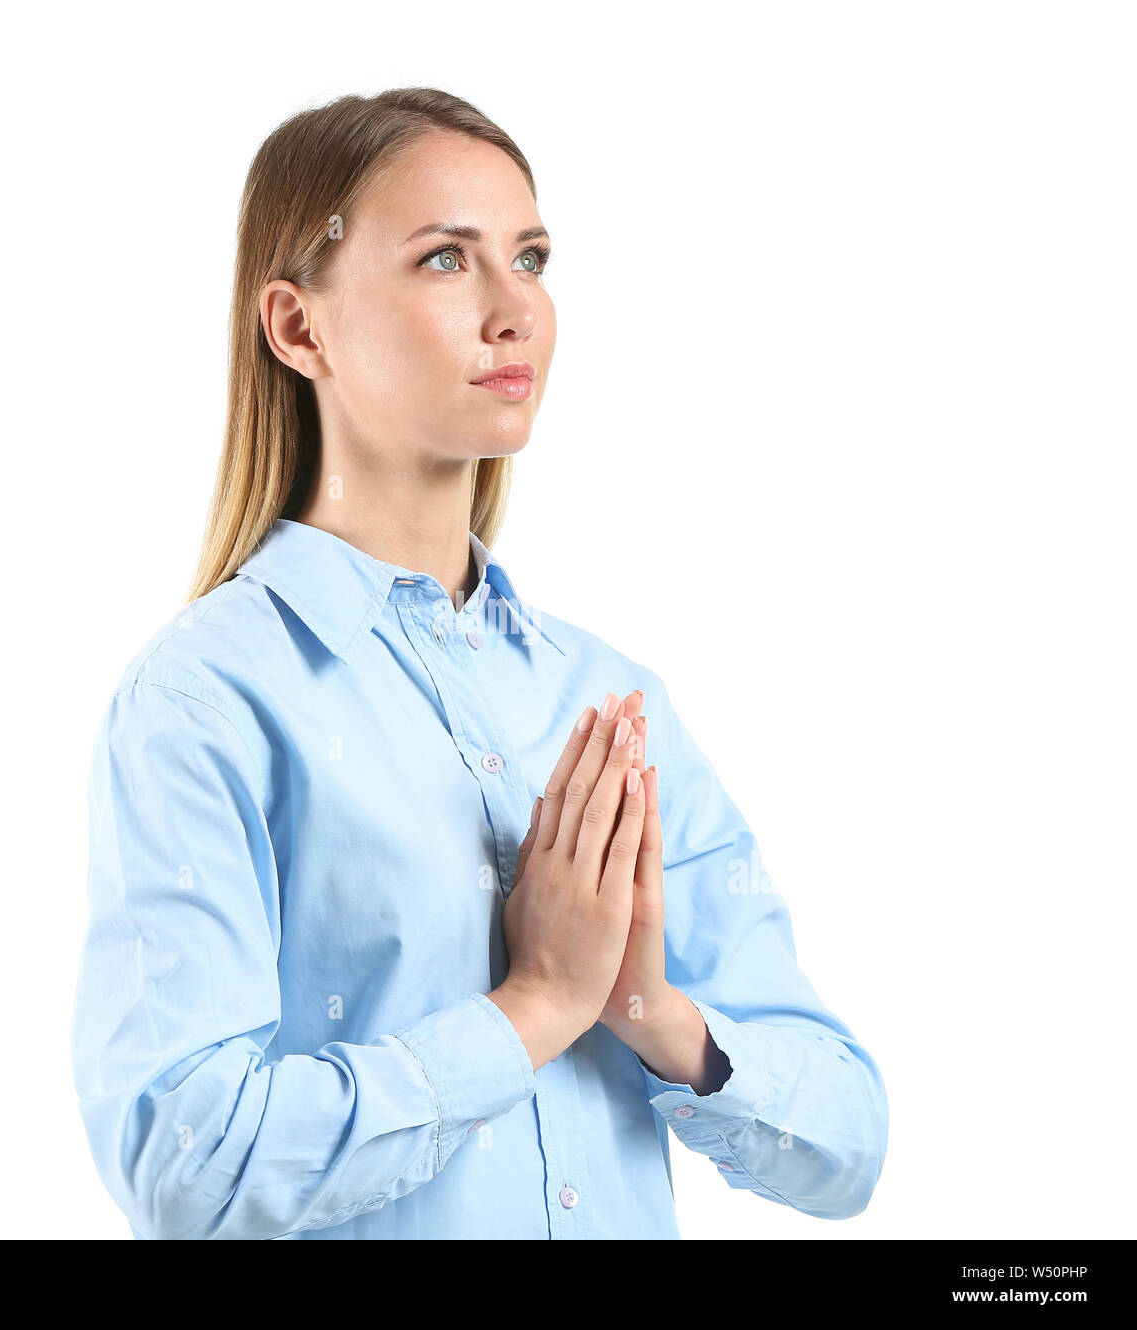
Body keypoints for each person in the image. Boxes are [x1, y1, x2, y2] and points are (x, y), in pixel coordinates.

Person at [71, 87, 888, 1240]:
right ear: (299, 328)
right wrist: (531, 1011)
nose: (516, 312)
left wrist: (652, 1012)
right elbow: (188, 1160)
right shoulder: (207, 701)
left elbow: (848, 1145)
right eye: (446, 261)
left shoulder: (611, 700)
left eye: (532, 257)